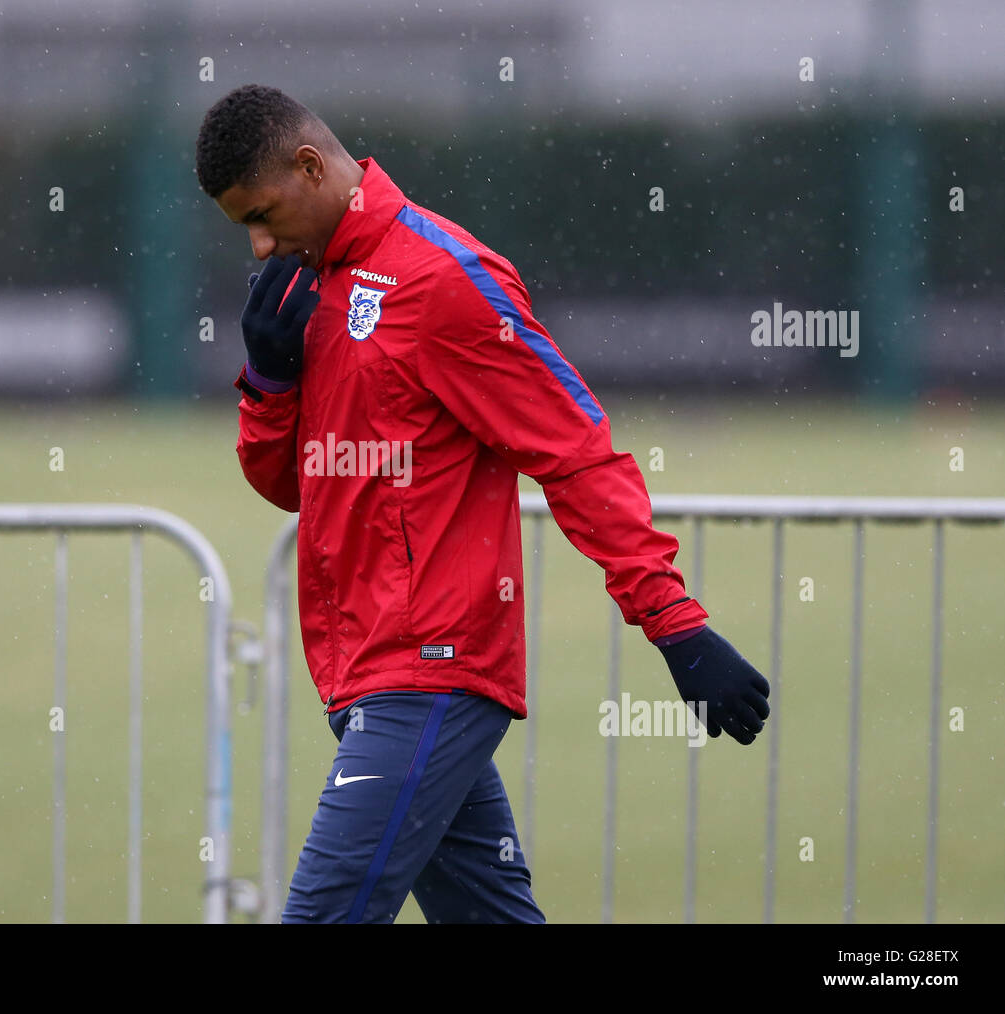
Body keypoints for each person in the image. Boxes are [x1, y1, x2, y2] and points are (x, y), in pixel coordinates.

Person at [195, 84, 771, 924]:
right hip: (364, 674)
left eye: (262, 213)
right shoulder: (305, 293)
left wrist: (672, 621)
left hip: (430, 671)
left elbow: (576, 450)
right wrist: (271, 385)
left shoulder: (445, 278)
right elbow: (292, 484)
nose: (256, 244)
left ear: (311, 167)